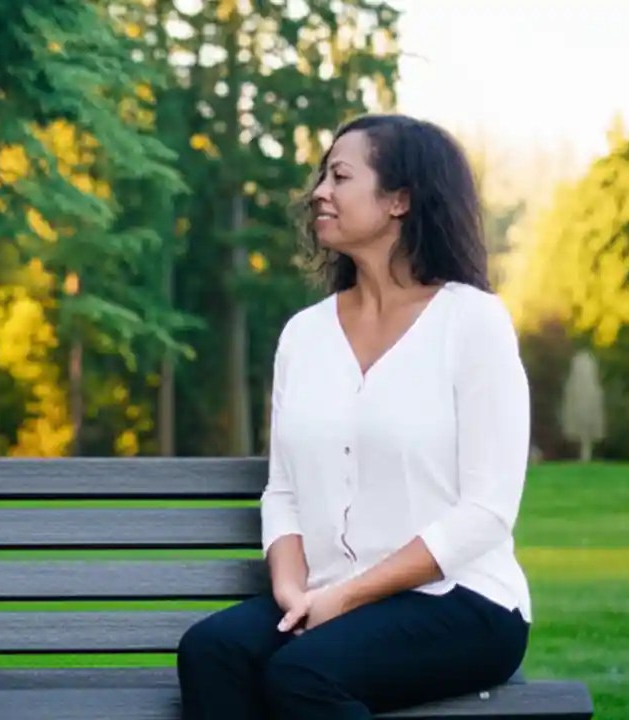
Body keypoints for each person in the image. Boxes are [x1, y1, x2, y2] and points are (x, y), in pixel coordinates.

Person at [176, 114, 533, 719]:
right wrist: (293, 591)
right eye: (323, 176)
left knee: (303, 675)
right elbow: (283, 489)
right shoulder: (303, 335)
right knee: (212, 652)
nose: (319, 191)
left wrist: (346, 597)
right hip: (328, 592)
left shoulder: (472, 322)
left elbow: (488, 511)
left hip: (462, 601)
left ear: (399, 200)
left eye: (340, 176)